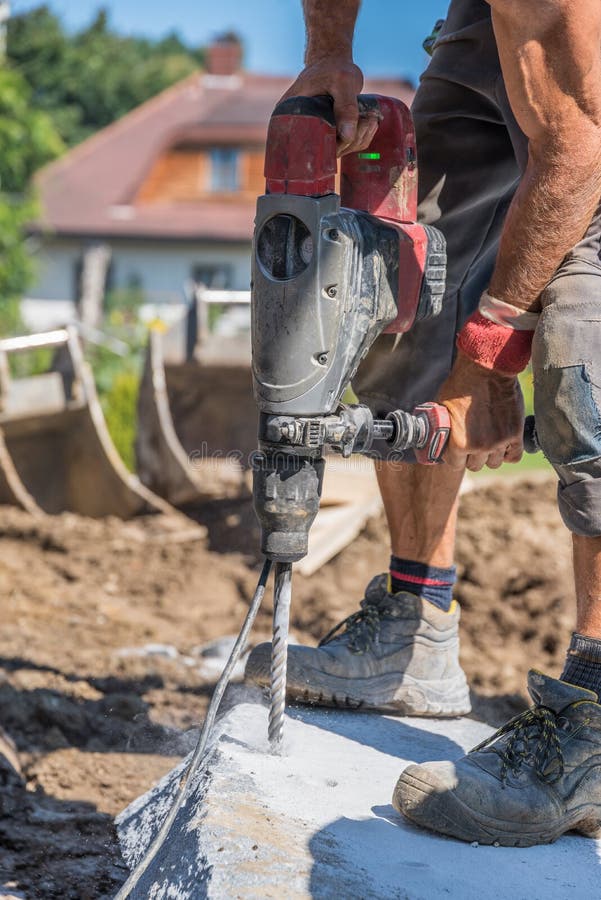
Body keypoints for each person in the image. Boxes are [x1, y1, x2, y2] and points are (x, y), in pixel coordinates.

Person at [246, 0, 601, 845]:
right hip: (498, 24)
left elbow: (580, 142)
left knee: (580, 329)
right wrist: (328, 52)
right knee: (410, 261)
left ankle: (594, 717)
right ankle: (415, 625)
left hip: (577, 65)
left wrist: (487, 356)